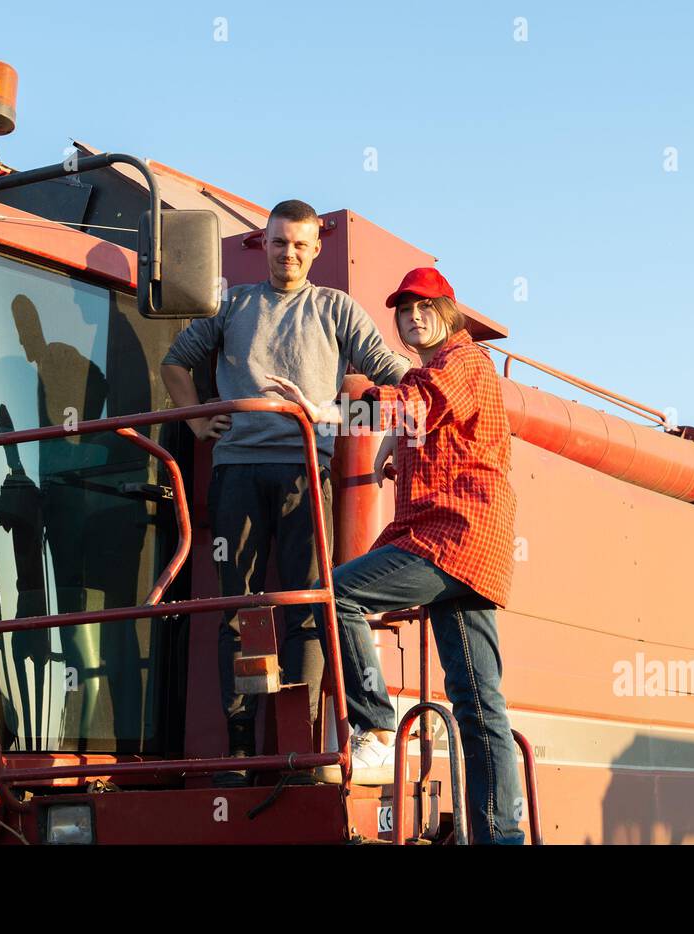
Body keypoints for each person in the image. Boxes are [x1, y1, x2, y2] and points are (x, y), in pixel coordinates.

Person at [264, 267, 525, 844]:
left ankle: (378, 731)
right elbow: (430, 426)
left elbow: (415, 405)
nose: (412, 318)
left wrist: (330, 411)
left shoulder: (462, 362)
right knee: (481, 708)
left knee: (338, 592)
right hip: (468, 551)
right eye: (404, 311)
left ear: (449, 312)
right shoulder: (440, 373)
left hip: (450, 538)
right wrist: (379, 452)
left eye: (424, 307)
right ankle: (500, 836)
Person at [160, 200, 409, 785]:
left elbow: (395, 374)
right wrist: (196, 420)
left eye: (299, 245)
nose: (288, 254)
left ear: (316, 249)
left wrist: (397, 430)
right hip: (238, 473)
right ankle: (242, 752)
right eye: (277, 243)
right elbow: (176, 364)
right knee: (237, 611)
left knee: (304, 607)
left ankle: (298, 754)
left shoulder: (335, 309)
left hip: (305, 474)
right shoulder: (232, 303)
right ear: (263, 244)